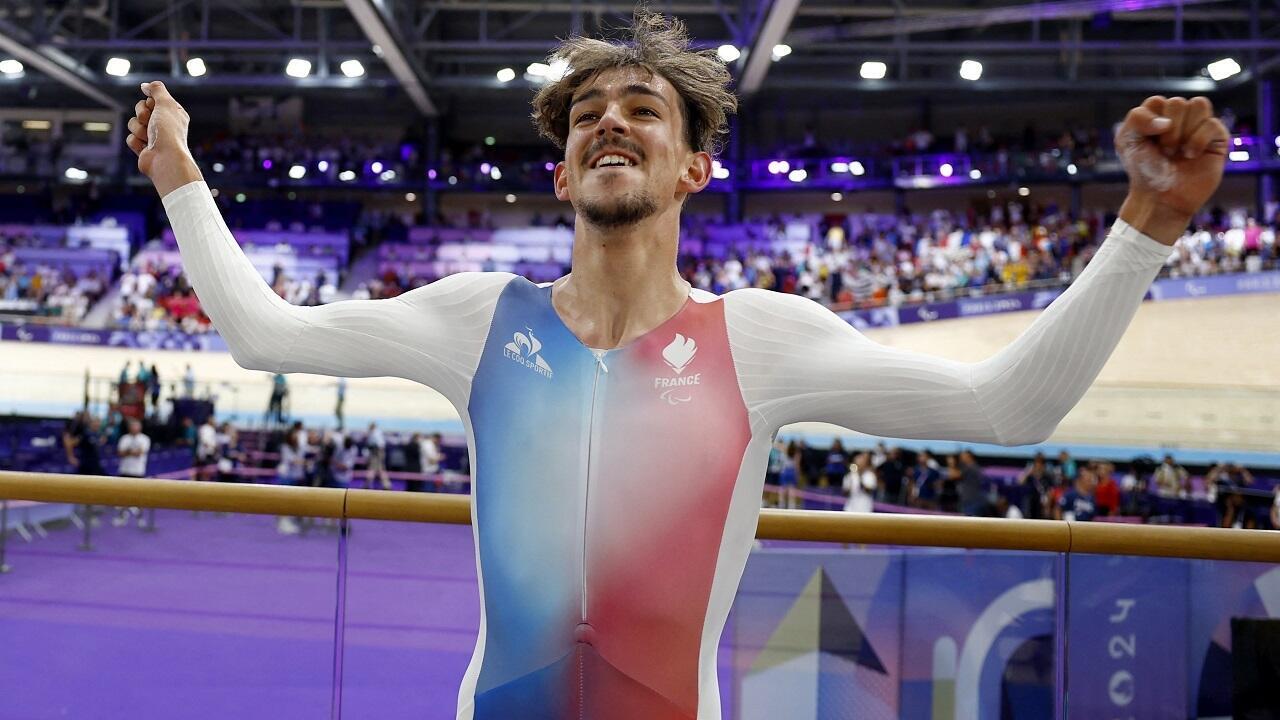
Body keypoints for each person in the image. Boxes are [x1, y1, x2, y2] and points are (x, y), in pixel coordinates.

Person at [130, 10, 1229, 717]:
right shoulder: (477, 317)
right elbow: (265, 335)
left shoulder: (760, 338)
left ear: (696, 166)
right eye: (586, 117)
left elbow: (1008, 407)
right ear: (561, 174)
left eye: (641, 110)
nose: (608, 123)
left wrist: (1145, 223)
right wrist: (180, 173)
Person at [113, 419, 150, 526]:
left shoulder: (144, 439)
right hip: (125, 470)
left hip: (138, 471)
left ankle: (140, 518)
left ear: (140, 427)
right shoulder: (124, 438)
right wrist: (131, 452)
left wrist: (128, 452)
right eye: (132, 426)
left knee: (139, 496)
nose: (134, 428)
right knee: (123, 496)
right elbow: (120, 453)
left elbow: (140, 452)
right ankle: (122, 516)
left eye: (136, 426)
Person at [365, 421, 390, 490]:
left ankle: (367, 485)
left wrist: (376, 452)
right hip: (378, 452)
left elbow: (378, 445)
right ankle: (386, 485)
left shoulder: (374, 433)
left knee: (373, 468)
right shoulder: (377, 432)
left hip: (376, 452)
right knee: (380, 469)